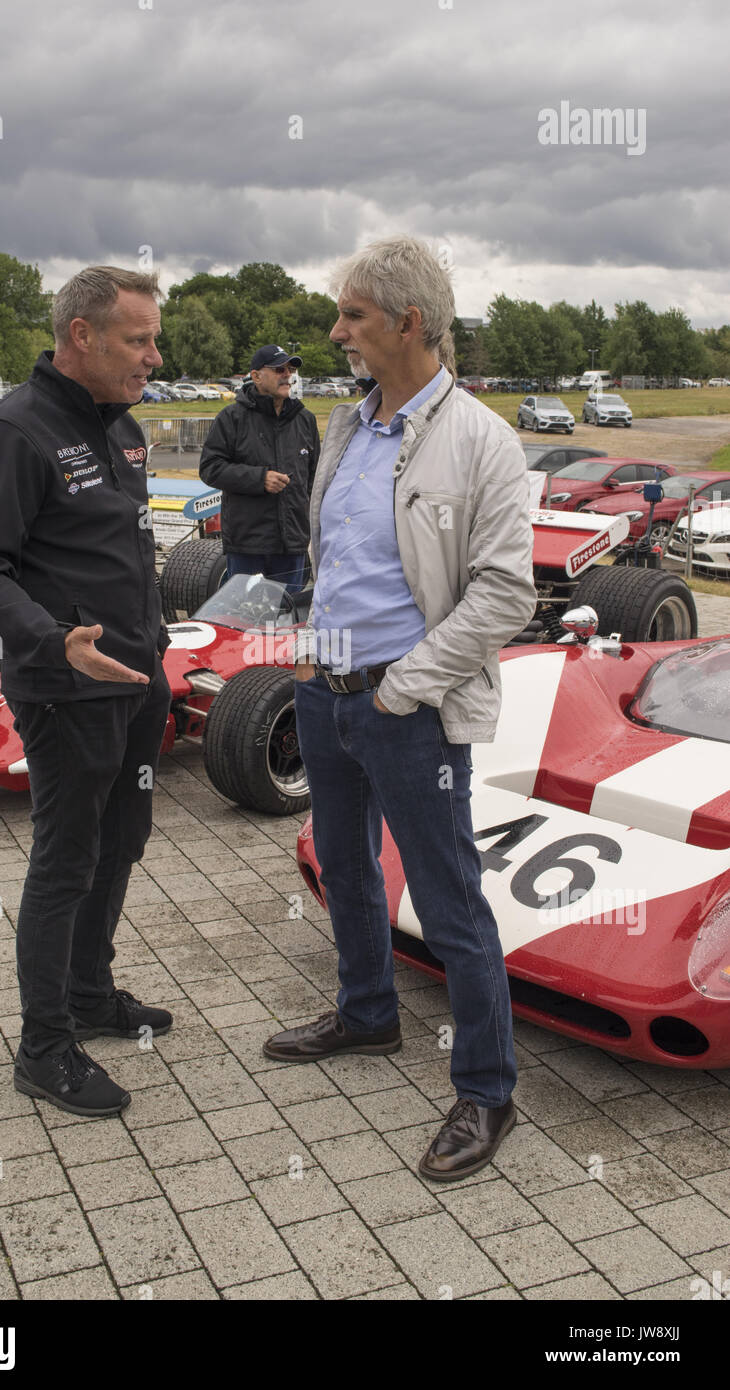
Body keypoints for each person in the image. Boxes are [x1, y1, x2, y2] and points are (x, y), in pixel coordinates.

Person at [264, 236, 537, 1182]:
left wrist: (402, 686)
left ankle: (487, 1089)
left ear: (408, 323)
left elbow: (505, 595)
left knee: (450, 894)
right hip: (326, 685)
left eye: (352, 316)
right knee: (344, 865)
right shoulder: (348, 426)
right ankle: (368, 1014)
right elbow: (332, 557)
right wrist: (309, 645)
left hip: (405, 702)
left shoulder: (482, 441)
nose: (335, 332)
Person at [0, 265, 173, 1119]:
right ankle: (44, 1045)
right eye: (139, 338)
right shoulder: (13, 430)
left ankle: (89, 992)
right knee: (66, 857)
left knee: (122, 839)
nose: (154, 355)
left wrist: (153, 651)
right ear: (81, 335)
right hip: (66, 688)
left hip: (137, 679)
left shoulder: (120, 428)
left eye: (155, 337)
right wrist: (54, 640)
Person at [199, 344, 319, 592]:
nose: (287, 374)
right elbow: (210, 467)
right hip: (248, 546)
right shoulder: (232, 418)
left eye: (290, 368)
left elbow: (315, 478)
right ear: (256, 376)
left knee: (287, 623)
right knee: (245, 624)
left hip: (292, 544)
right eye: (278, 369)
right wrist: (259, 478)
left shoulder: (305, 419)